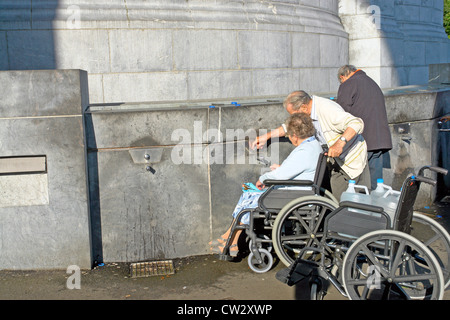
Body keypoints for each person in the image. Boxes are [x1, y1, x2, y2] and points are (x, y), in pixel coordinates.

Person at [211, 113, 322, 256]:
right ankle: (229, 236)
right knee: (248, 192)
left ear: (295, 135)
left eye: (289, 135)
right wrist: (281, 168)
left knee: (249, 193)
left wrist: (263, 179)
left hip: (293, 195)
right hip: (300, 191)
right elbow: (296, 169)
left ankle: (232, 241)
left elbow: (282, 175)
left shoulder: (304, 150)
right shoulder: (313, 145)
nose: (288, 137)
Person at [251, 90, 370, 200]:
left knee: (356, 201)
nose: (293, 118)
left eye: (294, 114)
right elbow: (292, 126)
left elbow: (356, 122)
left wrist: (340, 143)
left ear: (303, 107)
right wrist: (266, 136)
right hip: (334, 160)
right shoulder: (306, 115)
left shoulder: (327, 109)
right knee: (338, 199)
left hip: (351, 159)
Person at [336, 65, 393, 190]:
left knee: (357, 184)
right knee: (376, 184)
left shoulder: (348, 84)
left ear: (342, 76)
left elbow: (341, 113)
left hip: (361, 140)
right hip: (379, 140)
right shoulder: (372, 83)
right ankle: (376, 206)